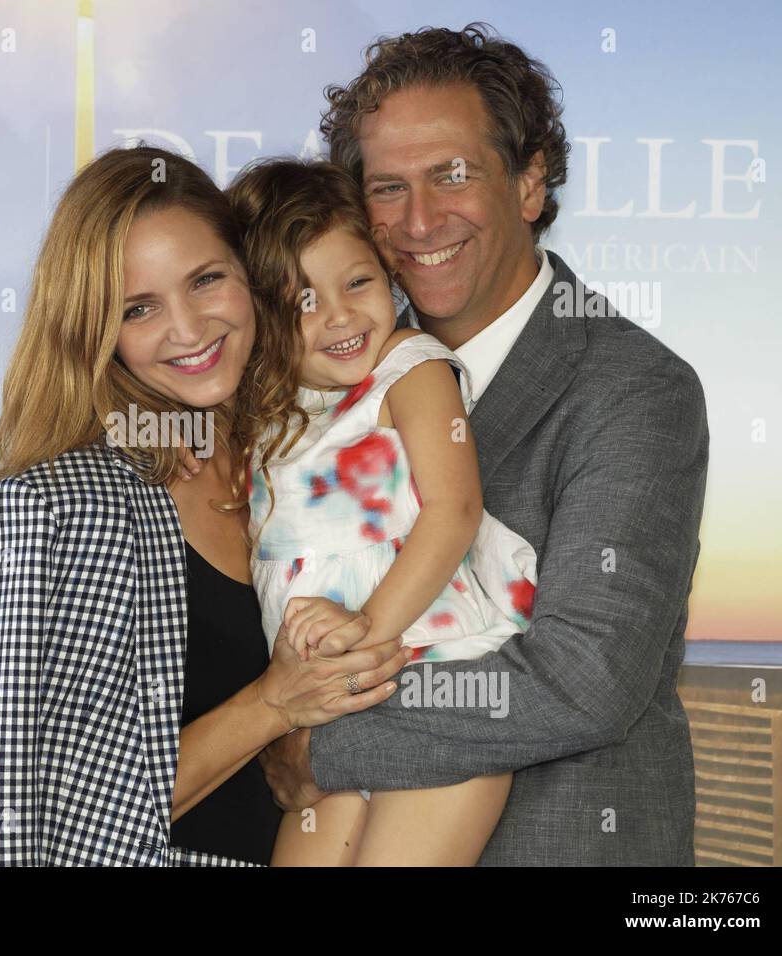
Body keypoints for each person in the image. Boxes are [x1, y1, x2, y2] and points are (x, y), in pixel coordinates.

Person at [258, 23, 709, 865]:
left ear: (531, 181)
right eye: (387, 188)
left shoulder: (635, 390)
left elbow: (582, 683)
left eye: (452, 176)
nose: (420, 219)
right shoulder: (323, 374)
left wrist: (323, 744)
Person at [0, 145, 406, 867]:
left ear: (255, 282)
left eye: (207, 280)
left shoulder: (296, 459)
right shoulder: (53, 510)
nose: (188, 330)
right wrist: (273, 703)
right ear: (95, 330)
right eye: (139, 307)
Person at [227, 158, 537, 865]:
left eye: (357, 282)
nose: (338, 315)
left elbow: (454, 511)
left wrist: (367, 631)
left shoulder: (408, 367)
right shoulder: (265, 416)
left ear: (388, 276)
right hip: (329, 707)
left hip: (437, 679)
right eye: (300, 301)